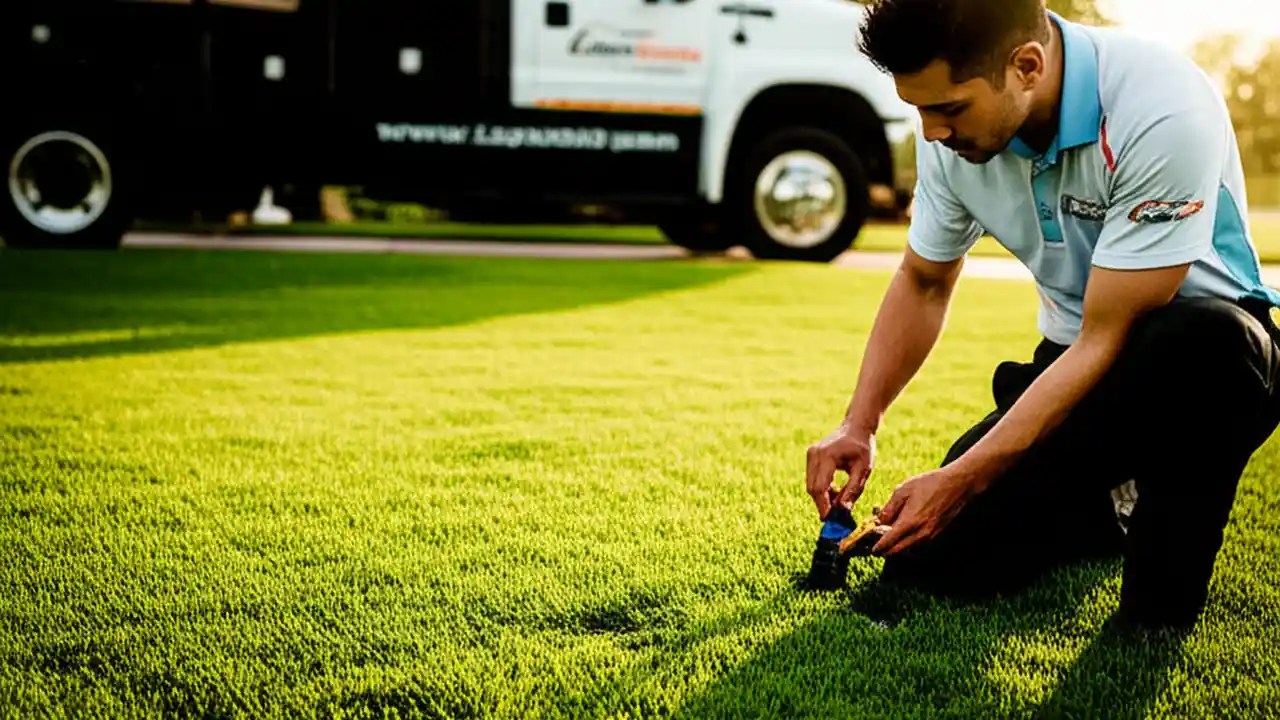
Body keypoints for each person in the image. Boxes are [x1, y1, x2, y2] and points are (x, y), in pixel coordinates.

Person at [805, 0, 1280, 630]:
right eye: (918, 109)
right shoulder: (950, 135)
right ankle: (1111, 500)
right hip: (1071, 363)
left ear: (1026, 66)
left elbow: (1109, 336)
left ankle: (1155, 610)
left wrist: (964, 478)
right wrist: (858, 425)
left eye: (947, 110)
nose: (931, 134)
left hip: (1203, 359)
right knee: (936, 559)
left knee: (1204, 347)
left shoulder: (1161, 105)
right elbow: (923, 282)